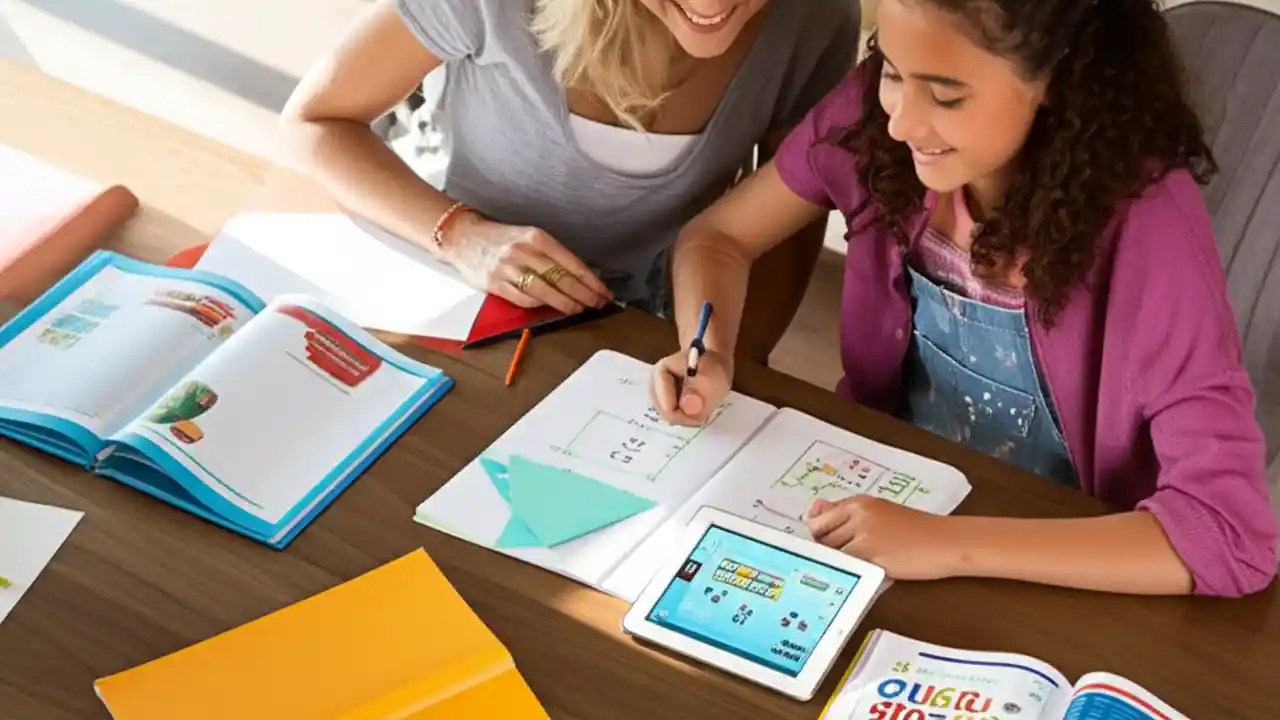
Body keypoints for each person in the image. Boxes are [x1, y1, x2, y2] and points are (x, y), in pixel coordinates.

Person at [651, 0, 1280, 597]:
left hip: (1059, 567)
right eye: (891, 71)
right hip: (885, 513)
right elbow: (719, 238)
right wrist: (708, 350)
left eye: (946, 95)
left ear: (1057, 77)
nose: (899, 121)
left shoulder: (1149, 223)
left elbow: (1229, 536)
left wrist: (946, 544)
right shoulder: (875, 120)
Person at [279, 0, 859, 361]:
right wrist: (463, 236)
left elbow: (794, 206)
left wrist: (734, 362)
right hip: (441, 280)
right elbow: (313, 123)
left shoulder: (817, 19)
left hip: (631, 326)